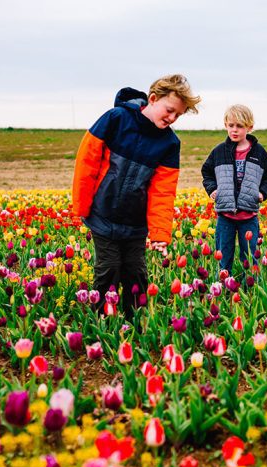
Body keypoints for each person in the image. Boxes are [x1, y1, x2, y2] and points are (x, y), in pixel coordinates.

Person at [71, 74, 200, 318]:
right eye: (170, 110)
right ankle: (102, 322)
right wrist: (82, 205)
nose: (172, 118)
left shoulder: (169, 143)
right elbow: (86, 163)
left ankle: (136, 324)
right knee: (108, 270)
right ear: (153, 99)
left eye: (178, 115)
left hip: (135, 224)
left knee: (136, 273)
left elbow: (163, 192)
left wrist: (160, 233)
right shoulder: (116, 119)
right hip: (103, 213)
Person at [201, 104, 267, 278]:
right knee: (223, 255)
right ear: (226, 125)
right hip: (225, 215)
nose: (234, 130)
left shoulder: (258, 152)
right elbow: (207, 172)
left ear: (249, 127)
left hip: (248, 216)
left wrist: (262, 193)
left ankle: (249, 287)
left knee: (249, 256)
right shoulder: (219, 151)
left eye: (240, 126)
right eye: (231, 125)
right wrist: (212, 189)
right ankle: (224, 288)